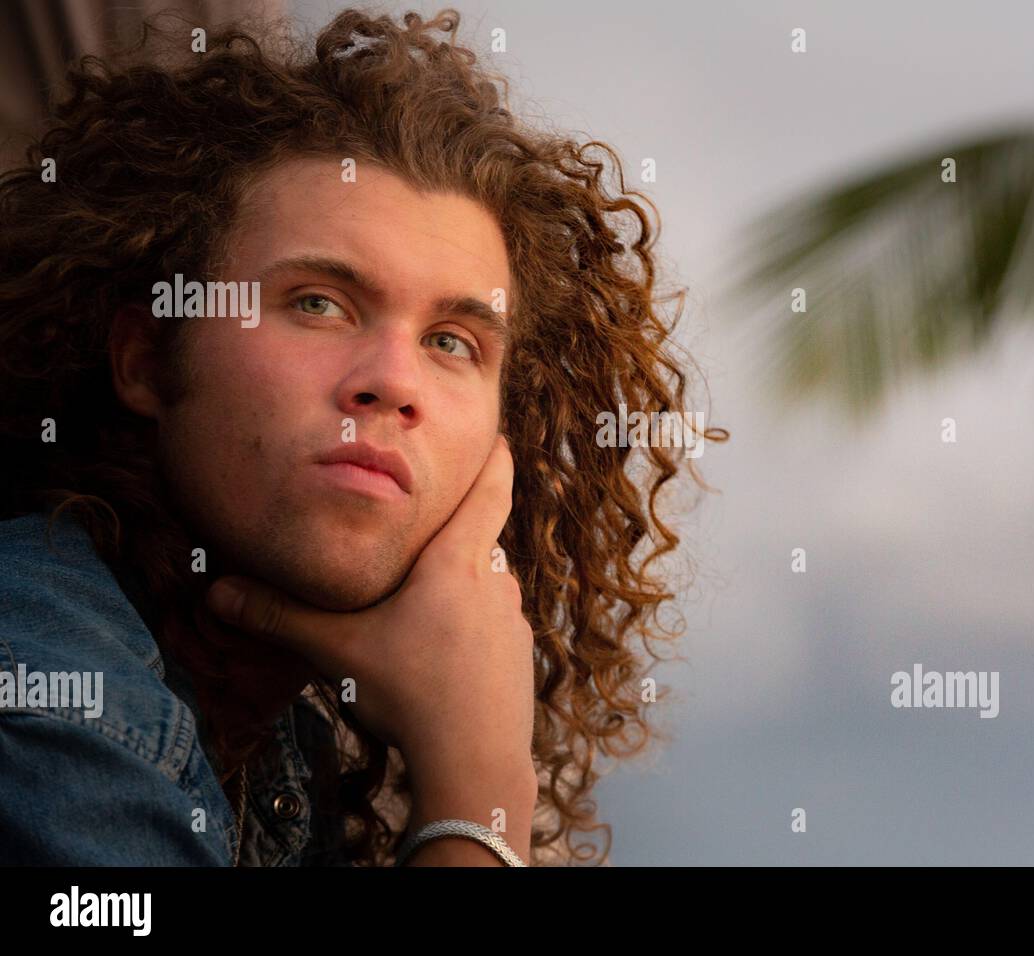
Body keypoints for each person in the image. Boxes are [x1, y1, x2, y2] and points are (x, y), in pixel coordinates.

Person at [0, 7, 722, 866]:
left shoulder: (276, 733)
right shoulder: (52, 691)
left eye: (452, 341)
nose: (393, 380)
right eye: (318, 303)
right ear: (148, 359)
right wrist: (477, 788)